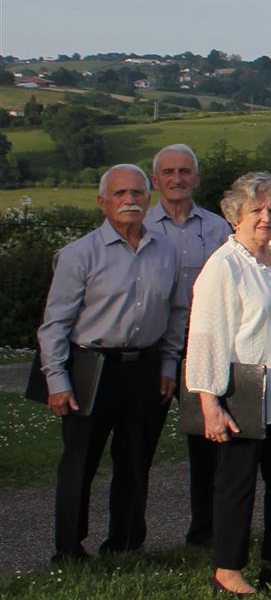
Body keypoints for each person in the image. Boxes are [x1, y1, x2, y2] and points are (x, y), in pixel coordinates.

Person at [38, 165, 186, 561]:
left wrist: (169, 367)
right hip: (91, 367)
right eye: (120, 194)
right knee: (79, 462)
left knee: (136, 460)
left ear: (149, 199)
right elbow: (54, 324)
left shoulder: (167, 252)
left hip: (145, 368)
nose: (130, 201)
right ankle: (69, 549)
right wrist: (56, 380)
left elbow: (176, 314)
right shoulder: (78, 255)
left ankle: (124, 543)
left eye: (137, 193)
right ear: (103, 202)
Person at [185, 172, 271, 595]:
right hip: (244, 392)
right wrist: (209, 400)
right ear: (235, 214)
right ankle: (228, 568)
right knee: (237, 484)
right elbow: (206, 335)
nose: (266, 217)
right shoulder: (225, 265)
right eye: (256, 209)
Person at [146, 143, 232, 549]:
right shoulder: (141, 228)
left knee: (206, 445)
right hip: (156, 347)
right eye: (168, 172)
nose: (177, 179)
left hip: (206, 345)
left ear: (196, 178)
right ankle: (128, 537)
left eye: (184, 171)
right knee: (139, 445)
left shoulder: (218, 230)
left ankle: (206, 531)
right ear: (155, 180)